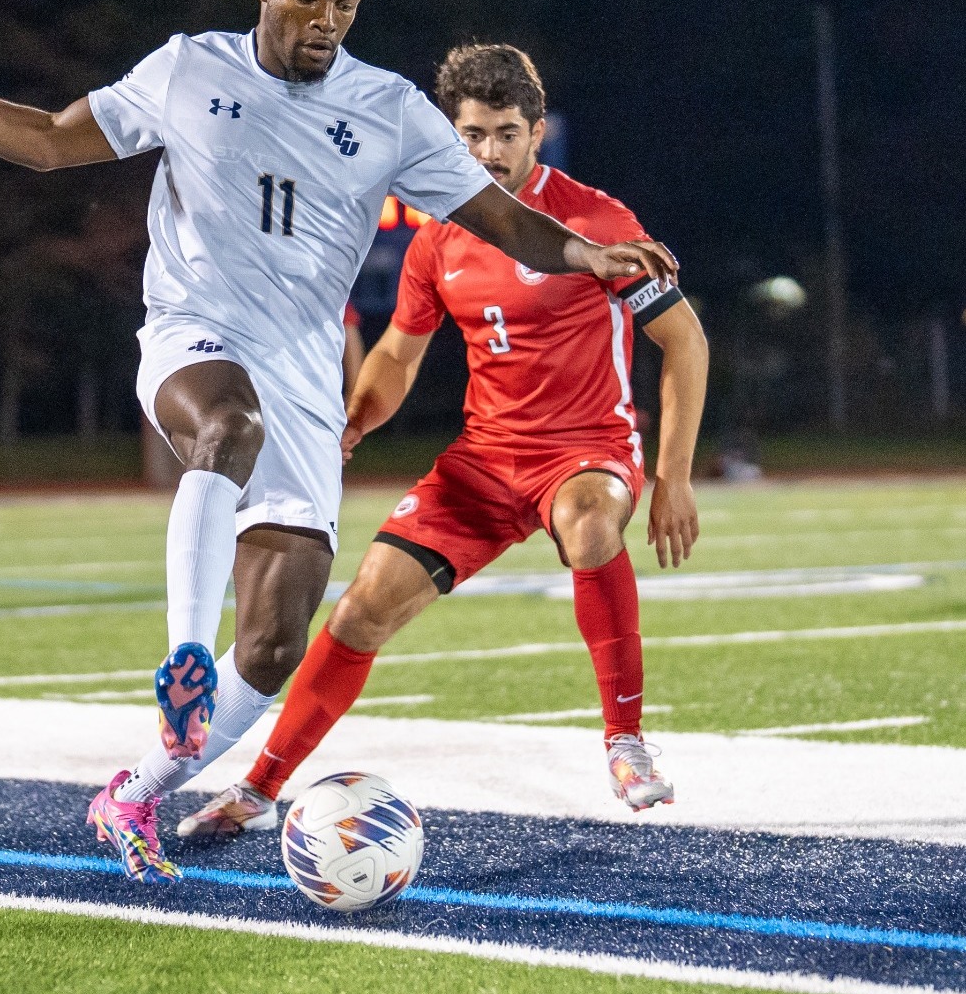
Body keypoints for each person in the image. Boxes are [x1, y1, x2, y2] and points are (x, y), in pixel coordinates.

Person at [0, 0, 673, 883]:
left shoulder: (390, 109)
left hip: (307, 383)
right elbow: (47, 139)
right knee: (225, 424)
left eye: (345, 3)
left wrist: (587, 253)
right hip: (194, 340)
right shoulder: (190, 70)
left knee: (275, 641)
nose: (325, 17)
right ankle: (183, 660)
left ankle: (134, 792)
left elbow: (501, 218)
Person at [175, 43, 708, 837]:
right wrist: (355, 418)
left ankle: (626, 741)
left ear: (537, 132)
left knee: (591, 521)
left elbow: (686, 341)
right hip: (486, 461)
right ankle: (259, 785)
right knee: (358, 611)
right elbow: (397, 352)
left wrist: (672, 476)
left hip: (586, 450)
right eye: (470, 135)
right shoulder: (440, 238)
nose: (487, 152)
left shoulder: (597, 222)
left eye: (504, 133)